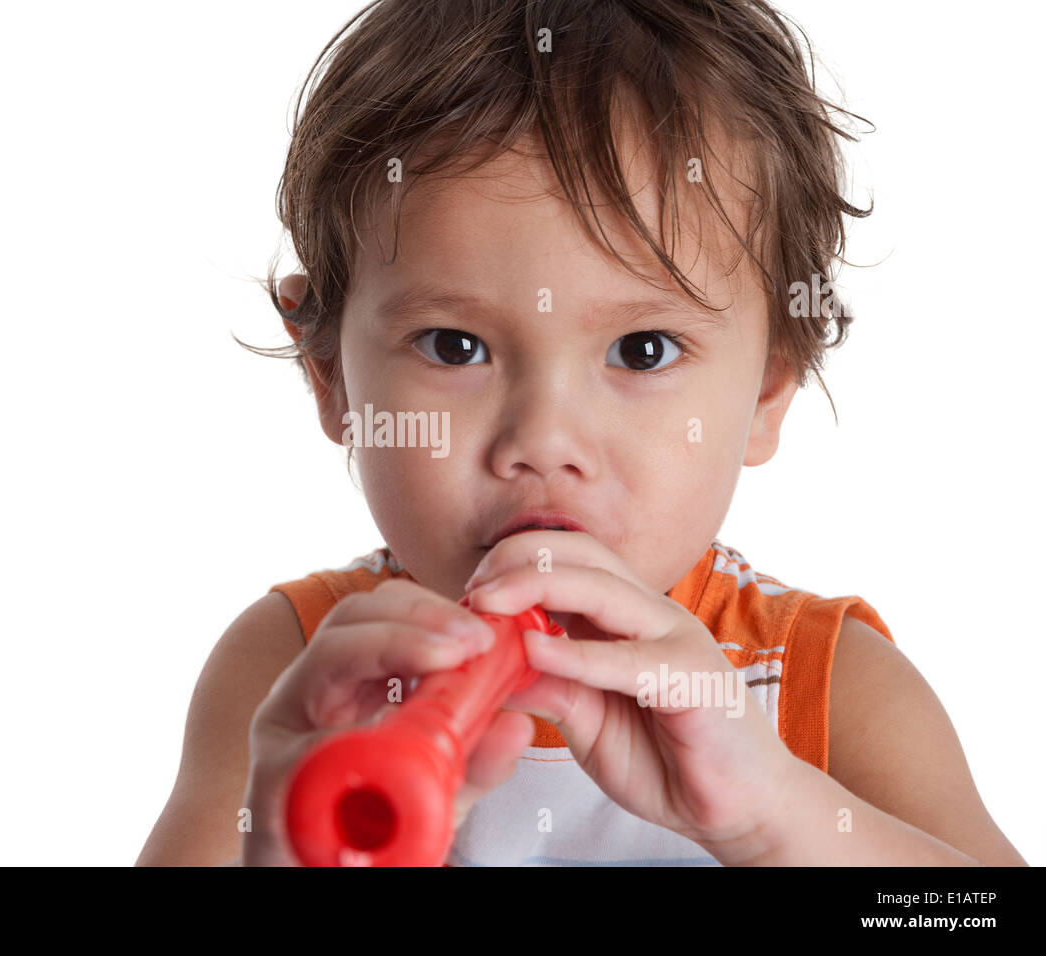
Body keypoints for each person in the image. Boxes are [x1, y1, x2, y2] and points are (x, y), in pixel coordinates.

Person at [137, 0, 1027, 866]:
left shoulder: (824, 690)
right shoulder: (297, 676)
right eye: (456, 346)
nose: (544, 441)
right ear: (330, 374)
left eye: (642, 350)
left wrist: (775, 817)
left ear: (767, 389)